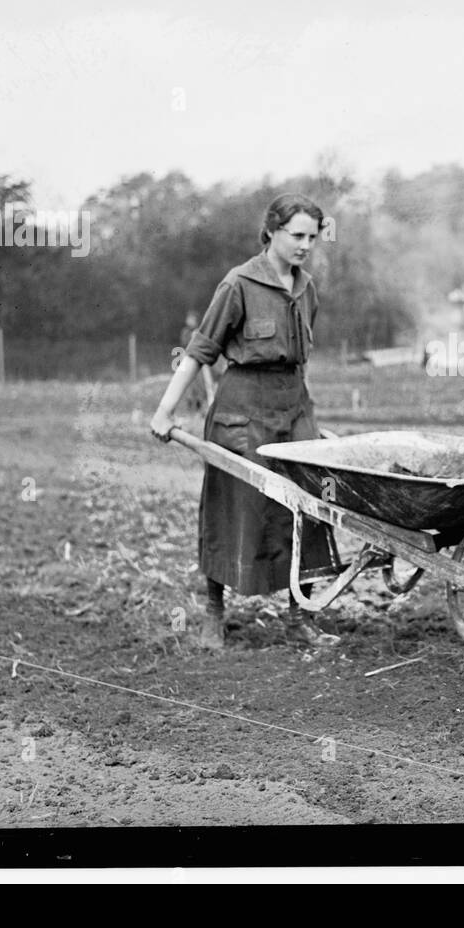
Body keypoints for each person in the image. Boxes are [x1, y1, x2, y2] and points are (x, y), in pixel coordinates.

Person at [150, 194, 337, 649]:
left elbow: (300, 361)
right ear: (271, 232)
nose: (305, 245)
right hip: (242, 412)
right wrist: (165, 409)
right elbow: (200, 350)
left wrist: (307, 417)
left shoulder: (307, 288)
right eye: (296, 235)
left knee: (309, 508)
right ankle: (214, 615)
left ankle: (300, 616)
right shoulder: (237, 285)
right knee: (234, 509)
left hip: (293, 410)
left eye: (312, 237)